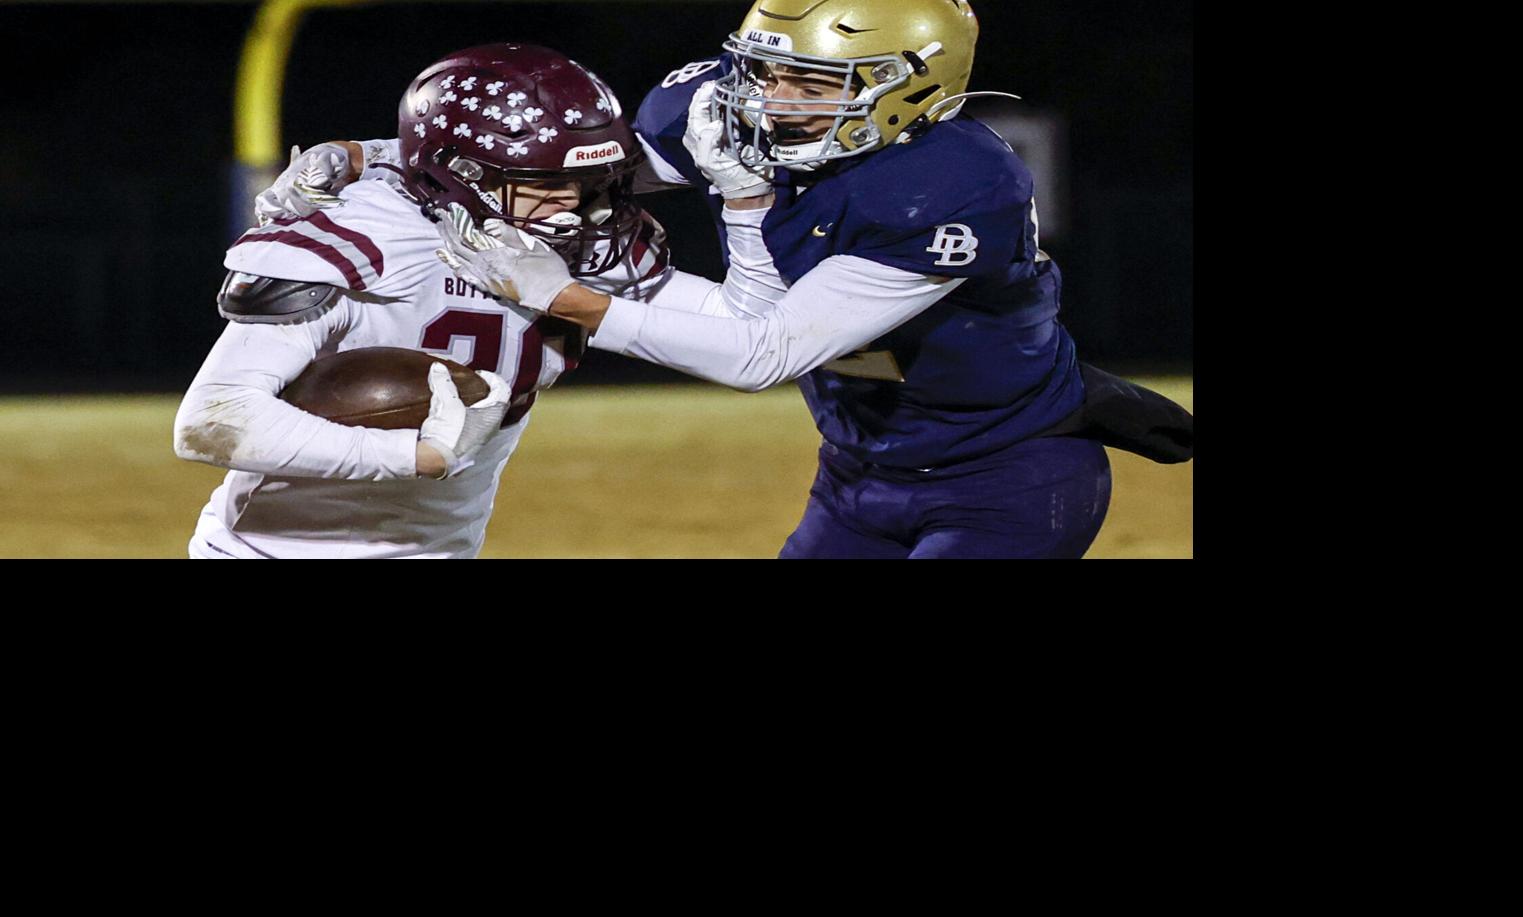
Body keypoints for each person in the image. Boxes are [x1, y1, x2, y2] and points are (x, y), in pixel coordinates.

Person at [274, 0, 1192, 558]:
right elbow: (561, 164)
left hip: (1002, 471)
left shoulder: (946, 189)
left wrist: (562, 296)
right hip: (857, 465)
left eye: (813, 84)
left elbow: (765, 348)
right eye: (767, 73)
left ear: (915, 88)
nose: (773, 101)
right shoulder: (723, 107)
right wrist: (370, 154)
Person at [174, 43, 669, 559]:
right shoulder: (365, 235)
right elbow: (211, 420)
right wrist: (418, 455)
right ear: (466, 171)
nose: (571, 205)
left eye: (586, 184)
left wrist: (747, 209)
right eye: (541, 180)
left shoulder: (574, 254)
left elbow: (754, 352)